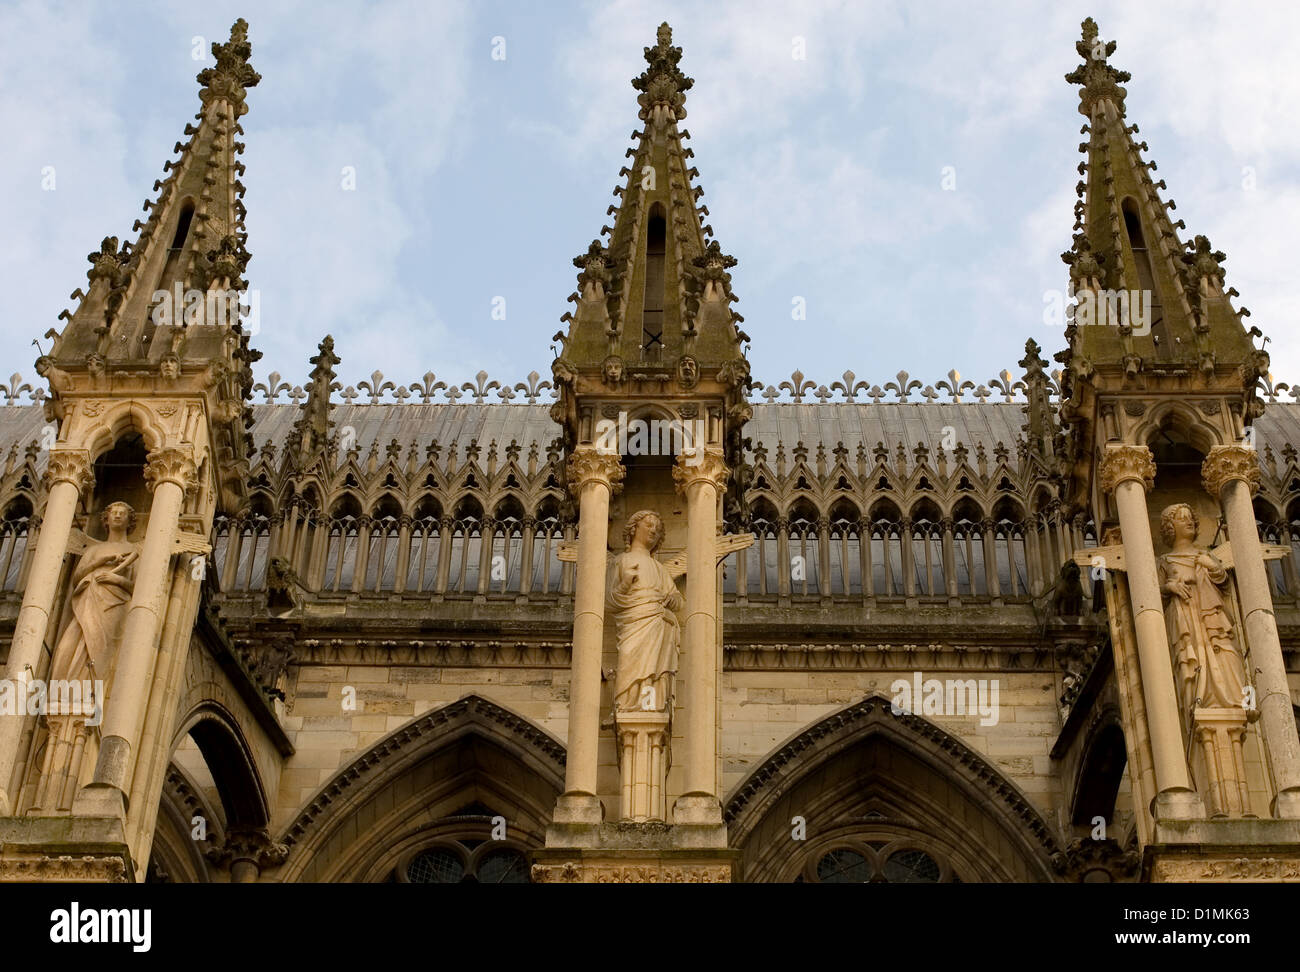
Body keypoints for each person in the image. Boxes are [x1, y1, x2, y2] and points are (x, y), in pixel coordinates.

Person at [1158, 503, 1246, 715]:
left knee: (1226, 652)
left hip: (1213, 615)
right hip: (1184, 616)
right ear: (1170, 526)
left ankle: (1236, 701)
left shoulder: (1206, 555)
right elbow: (1155, 594)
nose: (1189, 521)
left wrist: (1212, 566)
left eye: (1190, 517)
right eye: (1182, 518)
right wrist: (1170, 587)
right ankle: (1198, 703)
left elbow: (1224, 584)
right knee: (1192, 657)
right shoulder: (1165, 561)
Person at [608, 510, 682, 712]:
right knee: (629, 658)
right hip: (634, 623)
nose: (653, 531)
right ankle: (627, 703)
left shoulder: (660, 569)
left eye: (657, 529)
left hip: (658, 622)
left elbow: (677, 598)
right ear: (634, 529)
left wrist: (672, 599)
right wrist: (625, 583)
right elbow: (608, 601)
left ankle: (650, 705)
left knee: (655, 668)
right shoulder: (620, 561)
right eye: (648, 525)